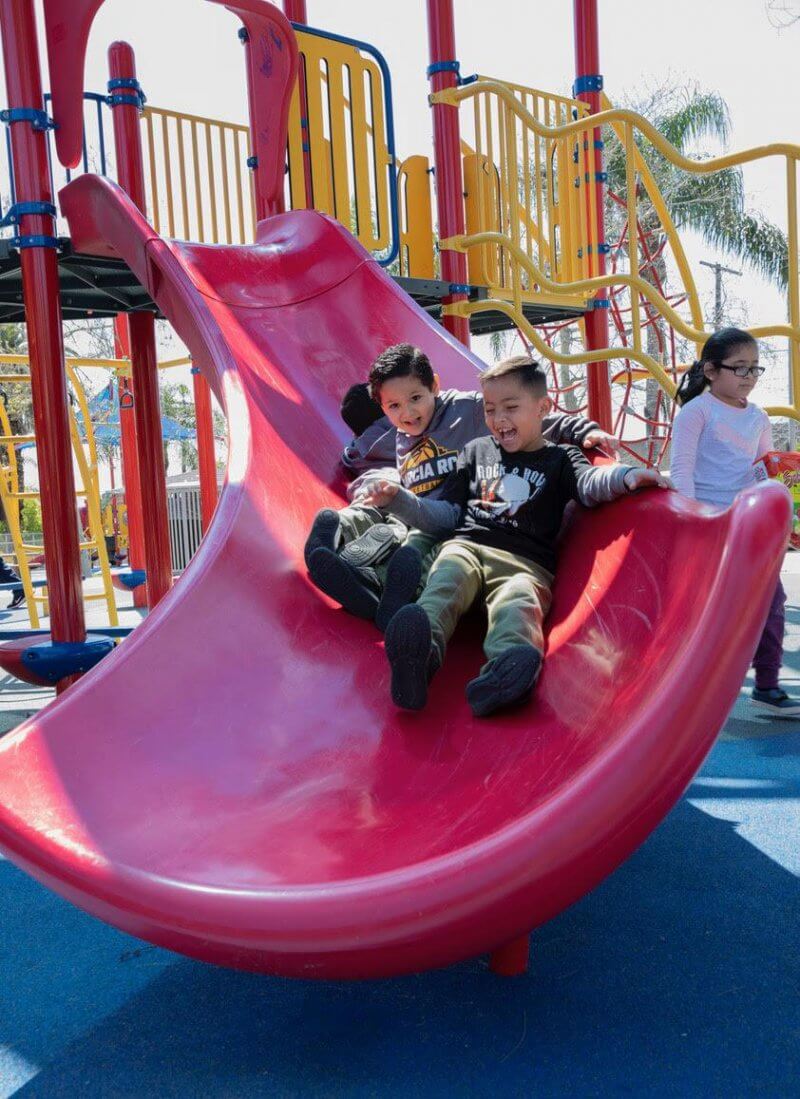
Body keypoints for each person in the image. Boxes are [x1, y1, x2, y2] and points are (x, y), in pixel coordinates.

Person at [363, 356, 670, 714]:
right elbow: (446, 514)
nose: (498, 420)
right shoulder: (475, 452)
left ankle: (505, 674)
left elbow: (589, 485)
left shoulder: (561, 458)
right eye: (490, 410)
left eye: (511, 408)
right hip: (468, 546)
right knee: (445, 580)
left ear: (543, 408)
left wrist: (625, 477)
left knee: (519, 604)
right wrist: (399, 500)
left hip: (525, 564)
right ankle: (420, 656)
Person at [305, 344, 619, 630]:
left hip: (456, 519)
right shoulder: (401, 434)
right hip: (418, 507)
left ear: (435, 387)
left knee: (415, 544)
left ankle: (379, 584)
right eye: (395, 407)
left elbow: (524, 417)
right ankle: (340, 534)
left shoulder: (466, 409)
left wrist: (581, 429)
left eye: (416, 399)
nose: (408, 413)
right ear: (385, 410)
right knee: (384, 512)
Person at [670, 327, 799, 717]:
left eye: (754, 369)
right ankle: (687, 686)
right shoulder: (697, 413)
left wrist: (781, 512)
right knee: (707, 611)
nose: (748, 377)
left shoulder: (758, 417)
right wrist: (693, 523)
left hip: (748, 528)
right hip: (709, 525)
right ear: (711, 370)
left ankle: (766, 684)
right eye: (739, 368)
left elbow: (763, 473)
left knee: (771, 603)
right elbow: (682, 472)